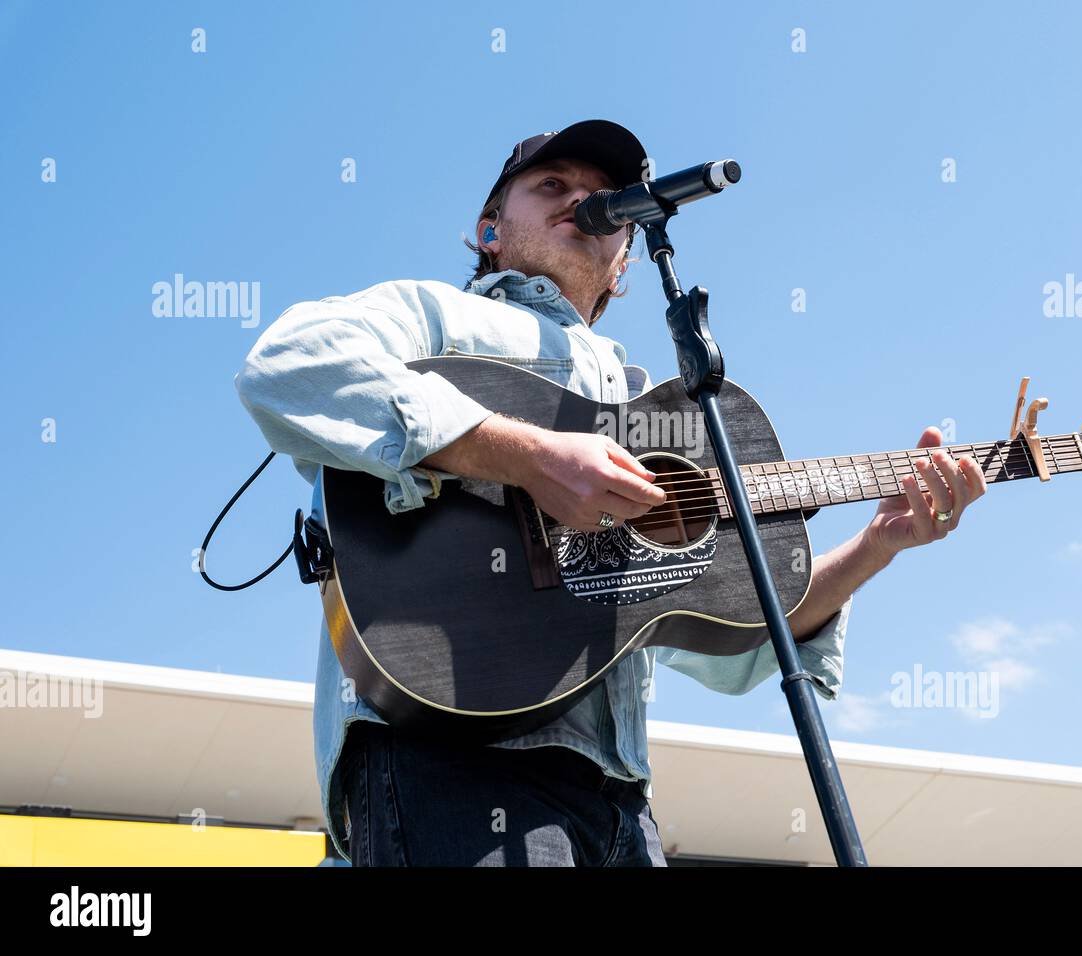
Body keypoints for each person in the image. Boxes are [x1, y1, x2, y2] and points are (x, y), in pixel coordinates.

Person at [233, 119, 986, 867]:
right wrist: (527, 457)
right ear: (489, 228)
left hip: (623, 805)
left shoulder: (652, 407)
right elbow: (286, 366)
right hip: (449, 755)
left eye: (604, 197)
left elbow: (732, 641)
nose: (581, 201)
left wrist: (876, 545)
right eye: (551, 186)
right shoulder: (436, 317)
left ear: (626, 256)